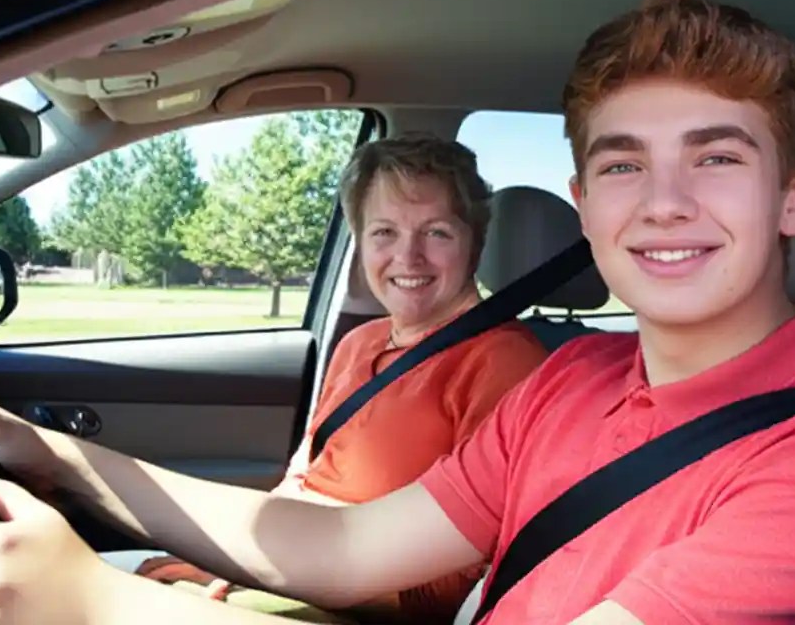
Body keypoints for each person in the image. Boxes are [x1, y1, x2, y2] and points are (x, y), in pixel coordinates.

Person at [0, 0, 795, 625]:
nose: (663, 203)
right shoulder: (574, 384)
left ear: (793, 197)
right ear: (582, 205)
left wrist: (98, 606)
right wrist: (57, 459)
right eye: (622, 166)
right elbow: (345, 551)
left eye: (716, 158)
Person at [134, 134, 548, 623]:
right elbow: (304, 475)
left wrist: (271, 570)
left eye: (437, 232)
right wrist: (234, 555)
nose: (408, 257)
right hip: (295, 565)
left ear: (475, 242)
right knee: (137, 579)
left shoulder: (505, 363)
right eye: (384, 233)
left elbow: (457, 582)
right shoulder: (361, 343)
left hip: (372, 602)